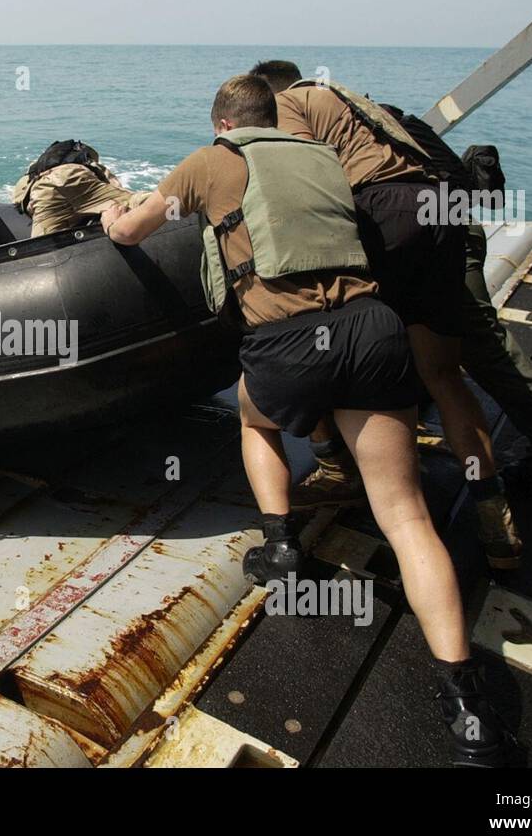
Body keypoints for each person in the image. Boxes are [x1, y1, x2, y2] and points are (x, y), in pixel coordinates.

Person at [101, 73, 510, 767]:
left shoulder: (212, 160)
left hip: (287, 345)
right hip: (373, 329)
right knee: (407, 518)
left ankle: (281, 541)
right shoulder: (322, 155)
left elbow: (137, 230)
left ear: (223, 123)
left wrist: (115, 215)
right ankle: (468, 704)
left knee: (255, 422)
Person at [249, 60, 522, 571]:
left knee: (322, 332)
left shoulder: (290, 102)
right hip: (439, 213)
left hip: (385, 212)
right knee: (443, 375)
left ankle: (338, 469)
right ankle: (493, 515)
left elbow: (298, 181)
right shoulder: (357, 103)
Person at [376, 102, 532, 490]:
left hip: (438, 236)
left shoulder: (346, 127)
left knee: (483, 345)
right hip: (440, 227)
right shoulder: (381, 115)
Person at [12, 140, 150, 237]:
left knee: (42, 250)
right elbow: (114, 189)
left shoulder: (33, 174)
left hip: (33, 189)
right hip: (65, 179)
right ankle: (170, 201)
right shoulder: (79, 168)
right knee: (135, 203)